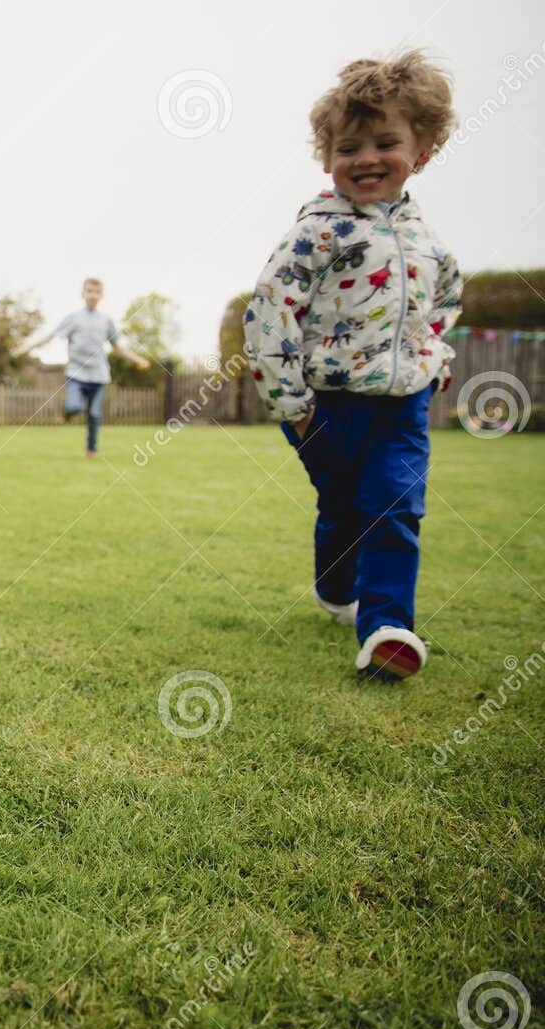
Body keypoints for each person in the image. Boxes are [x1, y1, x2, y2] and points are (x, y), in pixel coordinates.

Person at [244, 50, 461, 681]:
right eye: (349, 146)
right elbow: (270, 313)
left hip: (404, 403)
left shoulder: (427, 241)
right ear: (326, 156)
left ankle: (388, 626)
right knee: (342, 508)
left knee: (394, 503)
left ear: (423, 148)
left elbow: (445, 300)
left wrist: (432, 356)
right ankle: (336, 590)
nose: (366, 158)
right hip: (328, 404)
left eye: (386, 142)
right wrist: (293, 407)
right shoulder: (316, 233)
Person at [17, 278, 150, 457]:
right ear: (83, 293)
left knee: (95, 415)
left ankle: (91, 449)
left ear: (101, 295)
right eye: (89, 291)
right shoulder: (73, 319)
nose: (92, 295)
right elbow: (51, 336)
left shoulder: (106, 321)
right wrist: (26, 347)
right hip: (76, 374)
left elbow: (117, 346)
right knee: (74, 406)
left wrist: (137, 359)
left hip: (99, 375)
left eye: (96, 292)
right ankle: (67, 413)